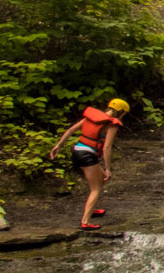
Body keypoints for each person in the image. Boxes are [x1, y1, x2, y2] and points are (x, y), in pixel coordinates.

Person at [49, 98, 129, 230]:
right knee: (96, 188)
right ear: (120, 112)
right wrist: (108, 168)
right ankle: (85, 221)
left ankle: (92, 208)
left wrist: (58, 145)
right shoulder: (112, 124)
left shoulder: (92, 117)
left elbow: (70, 130)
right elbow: (106, 148)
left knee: (102, 179)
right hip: (88, 156)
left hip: (77, 152)